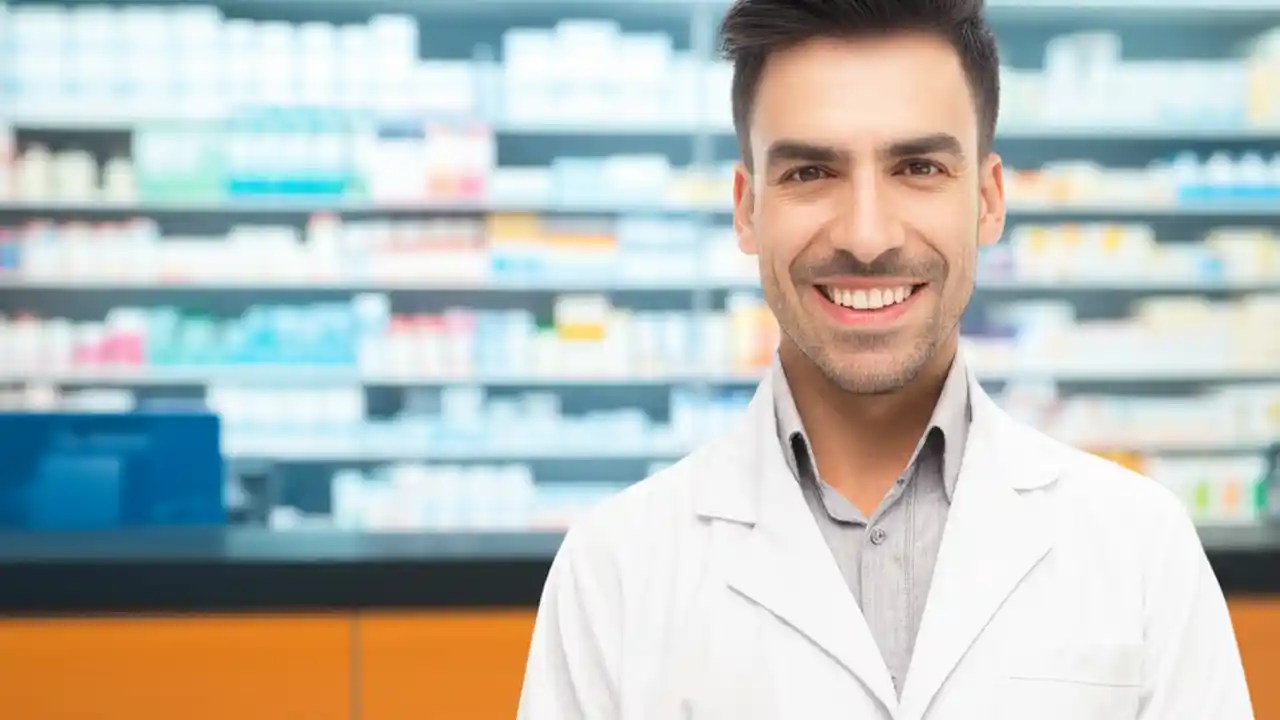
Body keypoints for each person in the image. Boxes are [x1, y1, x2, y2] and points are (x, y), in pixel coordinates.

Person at [516, 0, 1254, 717]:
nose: (867, 237)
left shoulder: (1142, 551)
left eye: (919, 168)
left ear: (988, 200)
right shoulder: (613, 573)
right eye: (810, 172)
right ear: (747, 209)